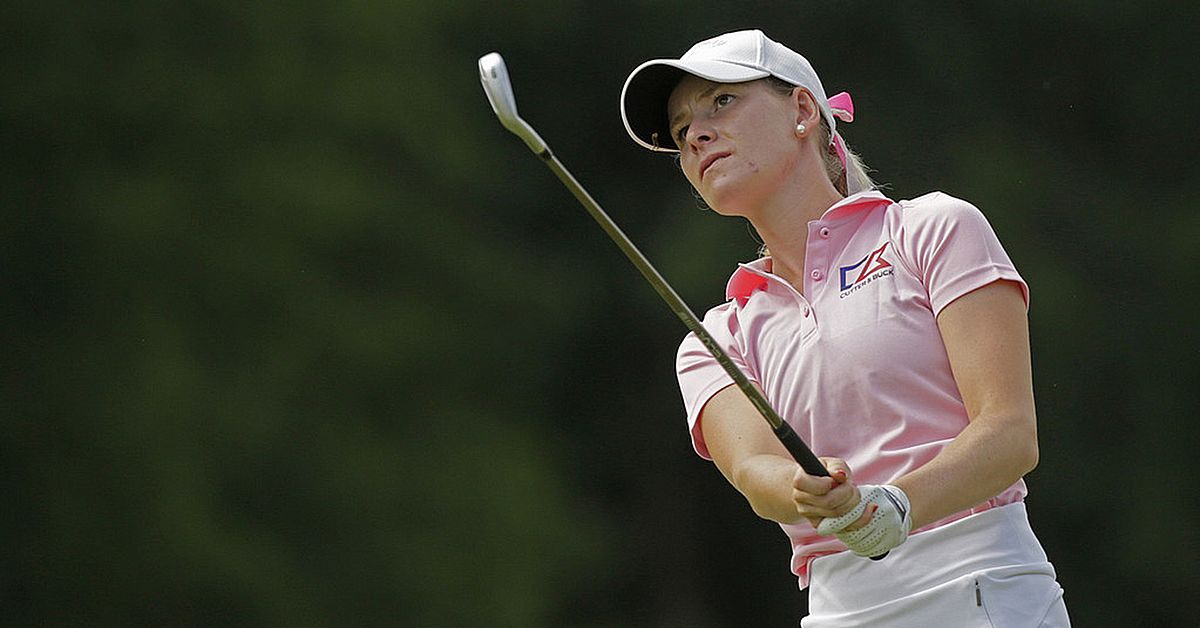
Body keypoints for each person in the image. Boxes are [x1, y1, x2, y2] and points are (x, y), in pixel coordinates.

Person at [620, 30, 1070, 626]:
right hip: (841, 611)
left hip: (982, 584)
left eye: (721, 102)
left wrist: (897, 504)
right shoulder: (716, 339)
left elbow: (1011, 434)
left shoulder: (931, 231)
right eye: (681, 132)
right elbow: (757, 473)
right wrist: (809, 492)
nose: (697, 135)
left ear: (804, 111)